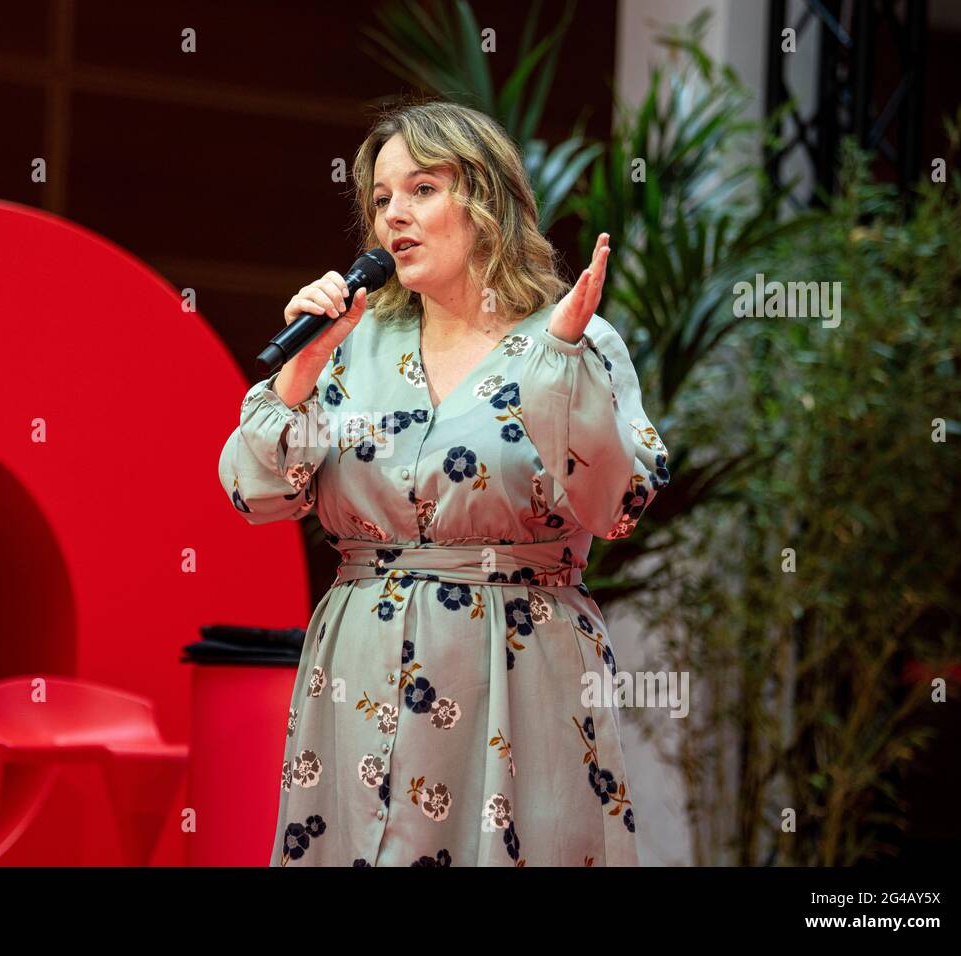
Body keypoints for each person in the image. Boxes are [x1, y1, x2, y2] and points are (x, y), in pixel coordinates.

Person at [217, 100, 670, 866]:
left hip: (515, 665)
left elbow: (618, 504)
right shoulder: (351, 344)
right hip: (359, 662)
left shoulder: (571, 337)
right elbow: (255, 494)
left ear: (487, 199)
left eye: (423, 189)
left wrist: (559, 368)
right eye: (382, 199)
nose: (395, 214)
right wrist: (301, 368)